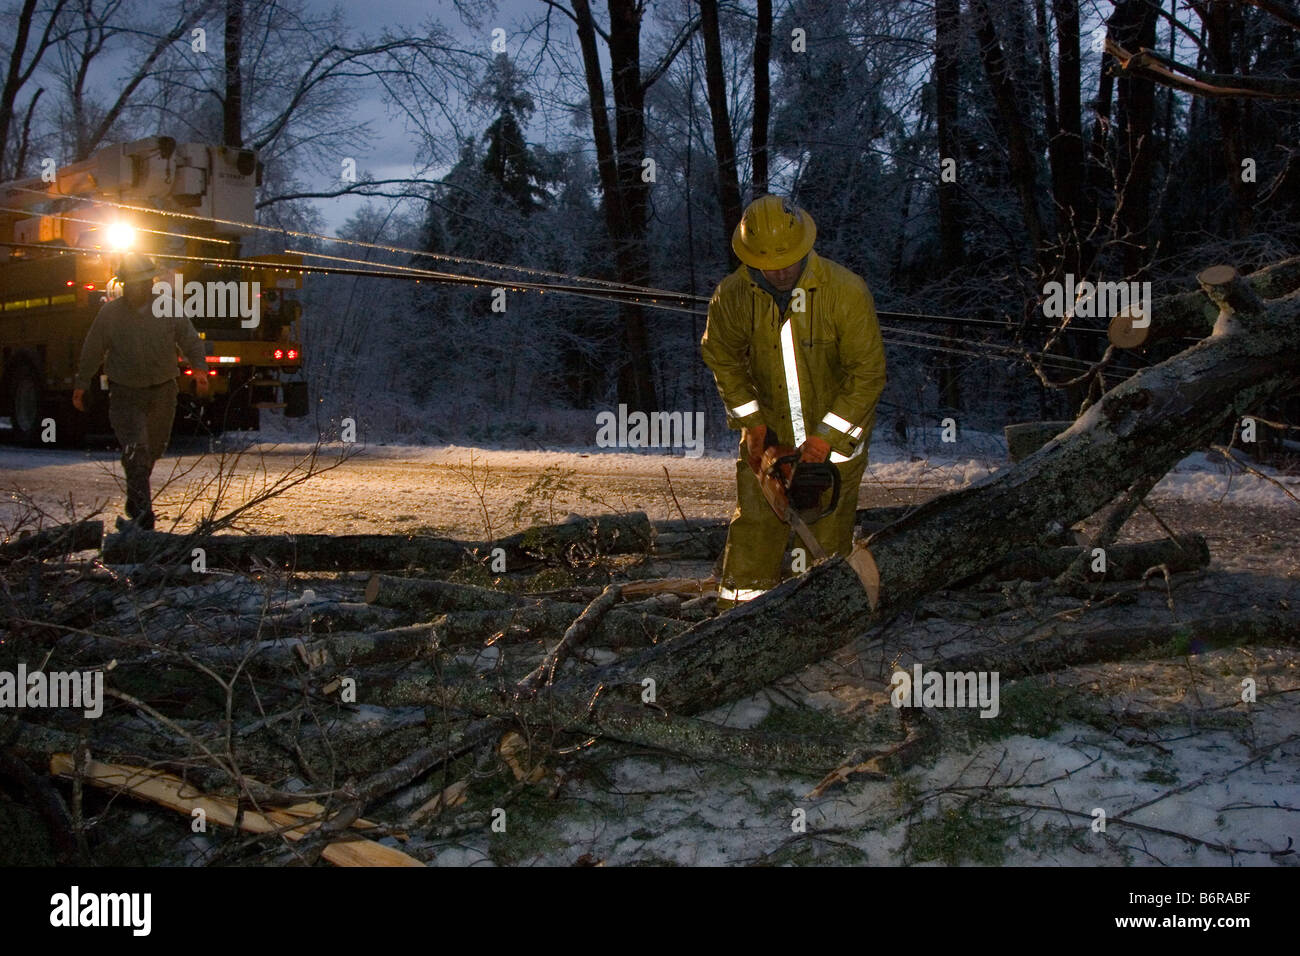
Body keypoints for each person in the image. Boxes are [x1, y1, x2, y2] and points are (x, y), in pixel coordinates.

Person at [701, 195, 887, 609]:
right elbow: (723, 359)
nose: (780, 271)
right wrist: (752, 424)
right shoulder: (732, 297)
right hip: (770, 443)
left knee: (823, 539)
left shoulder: (845, 292)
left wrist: (826, 438)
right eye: (769, 263)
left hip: (835, 447)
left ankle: (817, 619)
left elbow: (868, 374)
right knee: (755, 527)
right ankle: (737, 616)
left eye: (788, 259)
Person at [73, 254, 209, 529]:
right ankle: (142, 513)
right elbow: (92, 348)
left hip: (162, 391)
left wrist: (200, 371)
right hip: (125, 393)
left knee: (154, 449)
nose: (137, 289)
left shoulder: (169, 309)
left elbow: (190, 340)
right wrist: (81, 384)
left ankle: (136, 497)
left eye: (142, 283)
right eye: (131, 284)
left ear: (152, 282)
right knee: (137, 449)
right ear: (123, 285)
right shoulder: (110, 314)